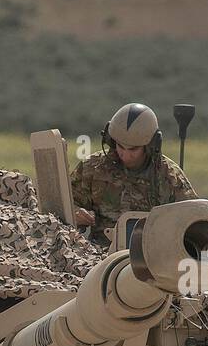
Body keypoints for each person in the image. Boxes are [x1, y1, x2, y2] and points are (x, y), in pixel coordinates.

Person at [70, 103, 196, 247]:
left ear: (150, 146)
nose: (125, 155)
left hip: (152, 255)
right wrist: (76, 213)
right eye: (120, 146)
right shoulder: (92, 168)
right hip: (98, 256)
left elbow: (193, 221)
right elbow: (62, 206)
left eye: (133, 149)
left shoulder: (170, 176)